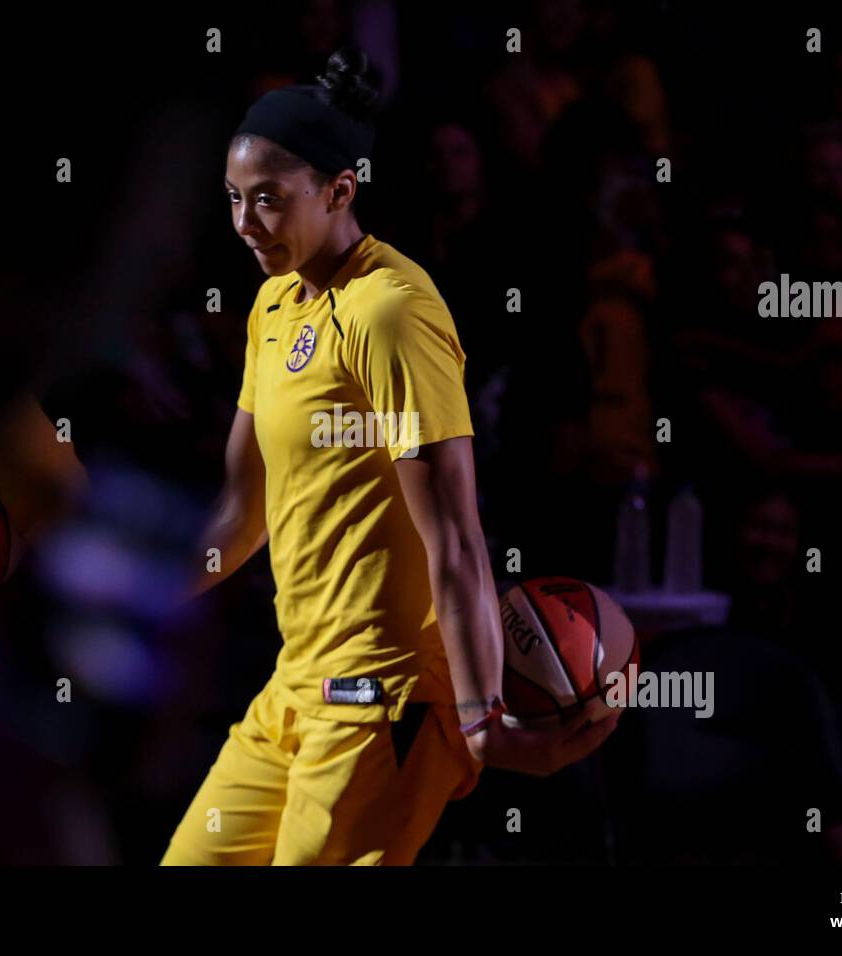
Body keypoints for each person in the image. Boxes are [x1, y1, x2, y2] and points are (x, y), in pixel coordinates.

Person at [160, 49, 619, 865]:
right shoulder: (272, 304)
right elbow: (239, 513)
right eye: (233, 200)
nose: (244, 223)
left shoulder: (393, 313)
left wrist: (480, 720)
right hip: (297, 681)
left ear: (340, 190)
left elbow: (456, 536)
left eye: (268, 200)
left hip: (387, 700)